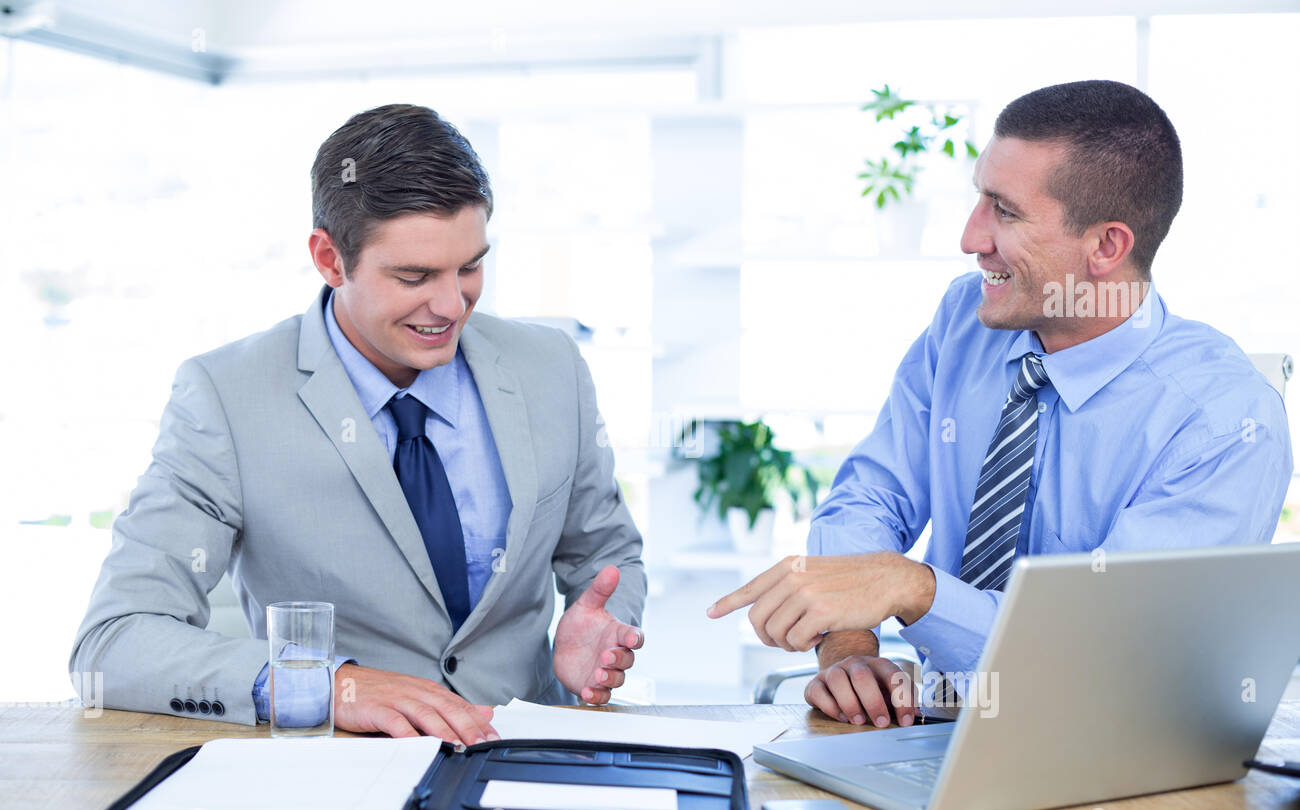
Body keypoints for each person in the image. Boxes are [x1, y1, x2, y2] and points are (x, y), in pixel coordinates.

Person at [708, 80, 1292, 727]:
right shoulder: (966, 319)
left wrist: (914, 588)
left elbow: (1105, 658)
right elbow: (873, 494)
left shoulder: (1222, 421)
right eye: (978, 199)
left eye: (1004, 212)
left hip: (1100, 749)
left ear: (1106, 247)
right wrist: (851, 648)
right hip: (931, 734)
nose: (969, 237)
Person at [71, 104, 647, 744]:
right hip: (338, 778)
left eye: (470, 267)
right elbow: (114, 642)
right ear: (329, 257)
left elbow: (606, 555)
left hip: (527, 765)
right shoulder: (226, 398)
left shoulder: (551, 368)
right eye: (414, 276)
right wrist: (327, 683)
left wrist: (599, 631)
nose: (452, 305)